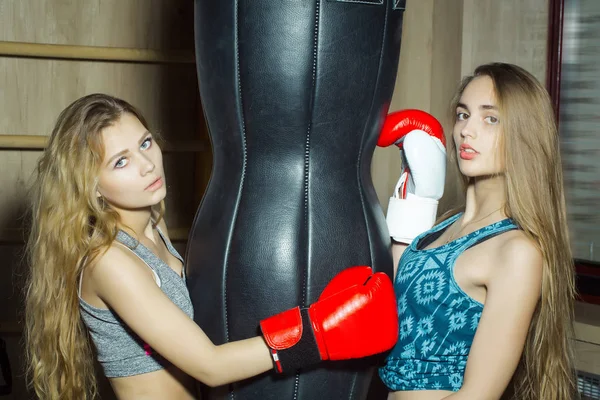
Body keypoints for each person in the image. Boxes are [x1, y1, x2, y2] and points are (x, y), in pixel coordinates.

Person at [23, 93, 399, 400]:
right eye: (121, 161)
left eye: (145, 143)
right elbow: (210, 366)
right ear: (90, 186)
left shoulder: (152, 223)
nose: (147, 165)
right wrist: (318, 332)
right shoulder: (109, 261)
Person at [376, 63, 577, 399]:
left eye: (490, 118)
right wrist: (413, 199)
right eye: (462, 114)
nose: (466, 130)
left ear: (523, 135)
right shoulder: (440, 228)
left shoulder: (516, 250)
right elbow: (399, 307)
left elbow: (478, 395)